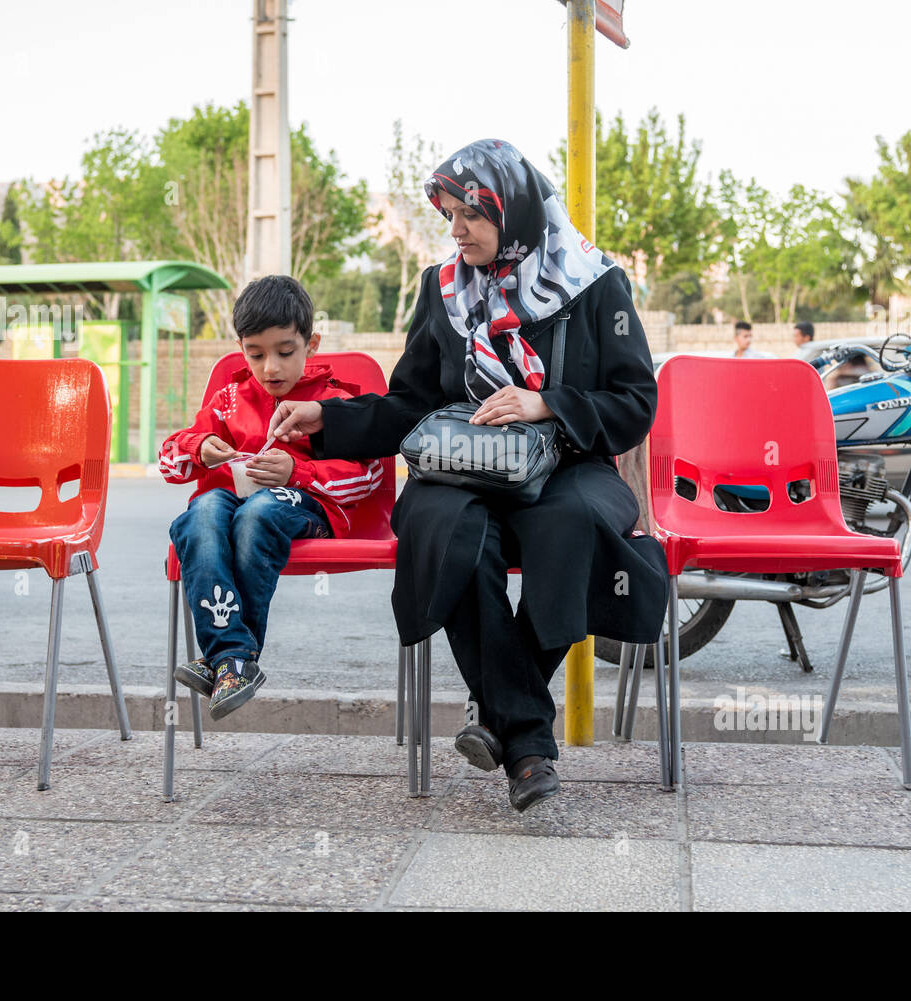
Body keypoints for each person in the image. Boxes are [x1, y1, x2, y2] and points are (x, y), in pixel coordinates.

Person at [269, 139, 668, 813]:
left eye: (469, 215)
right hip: (462, 468)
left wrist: (546, 403)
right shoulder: (442, 289)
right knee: (448, 529)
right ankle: (528, 745)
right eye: (448, 215)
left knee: (570, 524)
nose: (454, 231)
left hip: (570, 465)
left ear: (511, 211)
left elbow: (636, 401)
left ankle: (501, 716)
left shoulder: (598, 284)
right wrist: (325, 419)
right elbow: (410, 402)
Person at [160, 276, 383, 720]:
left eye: (285, 352)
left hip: (305, 510)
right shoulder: (228, 400)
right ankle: (233, 661)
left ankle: (227, 657)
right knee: (200, 513)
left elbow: (369, 478)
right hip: (230, 506)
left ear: (311, 344)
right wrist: (200, 447)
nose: (270, 368)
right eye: (255, 354)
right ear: (240, 347)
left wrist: (297, 472)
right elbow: (169, 464)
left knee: (258, 512)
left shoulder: (334, 401)